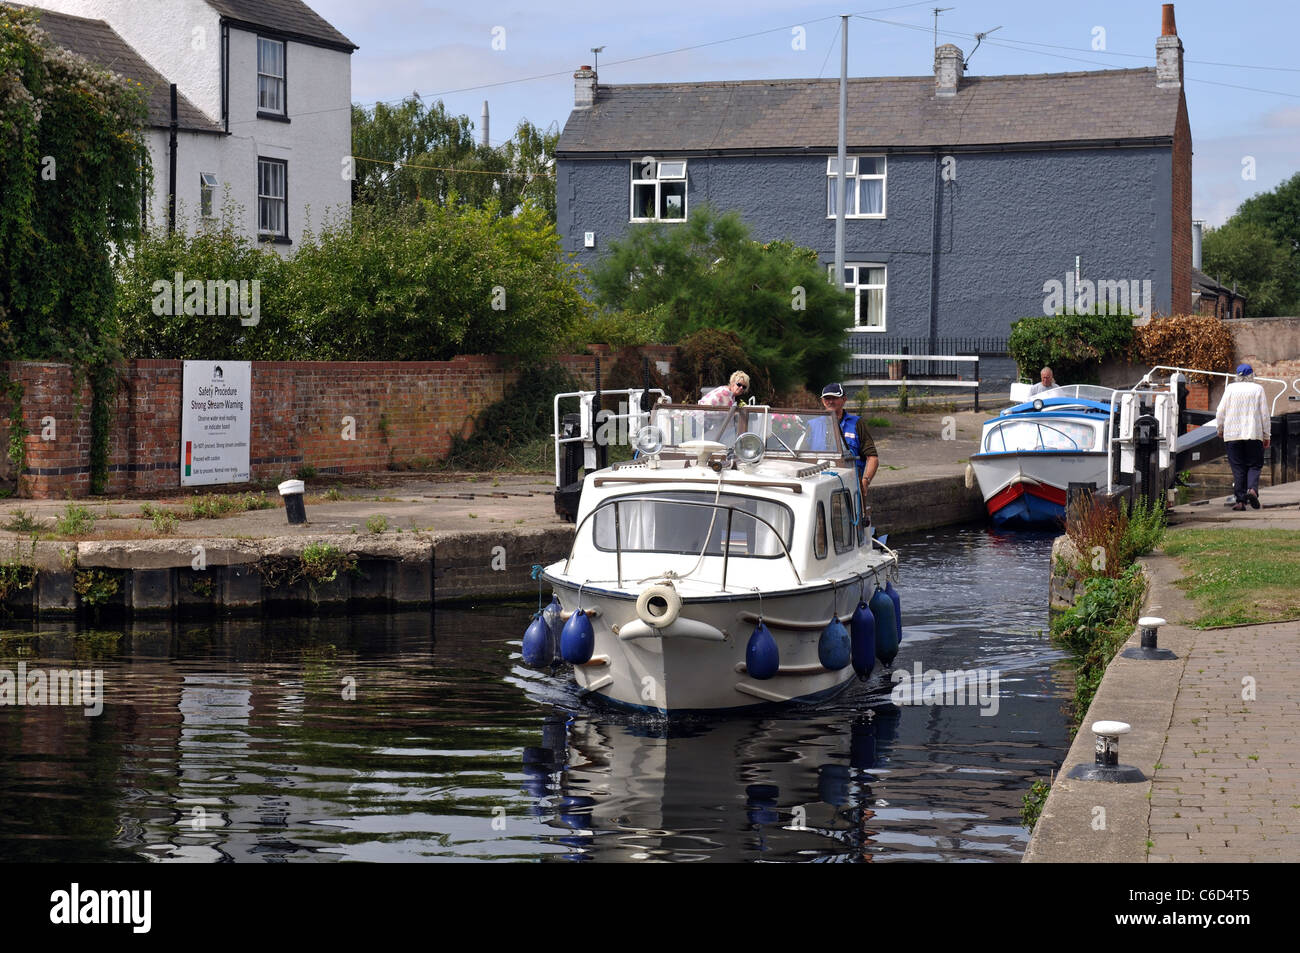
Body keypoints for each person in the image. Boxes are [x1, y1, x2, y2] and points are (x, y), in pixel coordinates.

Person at [1215, 363, 1270, 511]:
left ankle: (1240, 502)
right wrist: (1266, 435)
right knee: (1254, 464)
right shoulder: (1258, 389)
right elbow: (1264, 414)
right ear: (1252, 375)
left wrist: (1220, 429)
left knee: (1238, 467)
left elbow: (1220, 412)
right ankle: (1252, 490)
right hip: (1253, 433)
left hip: (1232, 434)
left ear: (1237, 376)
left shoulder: (1230, 389)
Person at [816, 382, 879, 497]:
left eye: (834, 398)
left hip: (849, 489)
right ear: (822, 401)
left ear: (844, 399)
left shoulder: (856, 423)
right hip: (818, 486)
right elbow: (800, 458)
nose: (830, 401)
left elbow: (872, 457)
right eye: (827, 398)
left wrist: (865, 481)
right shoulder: (813, 424)